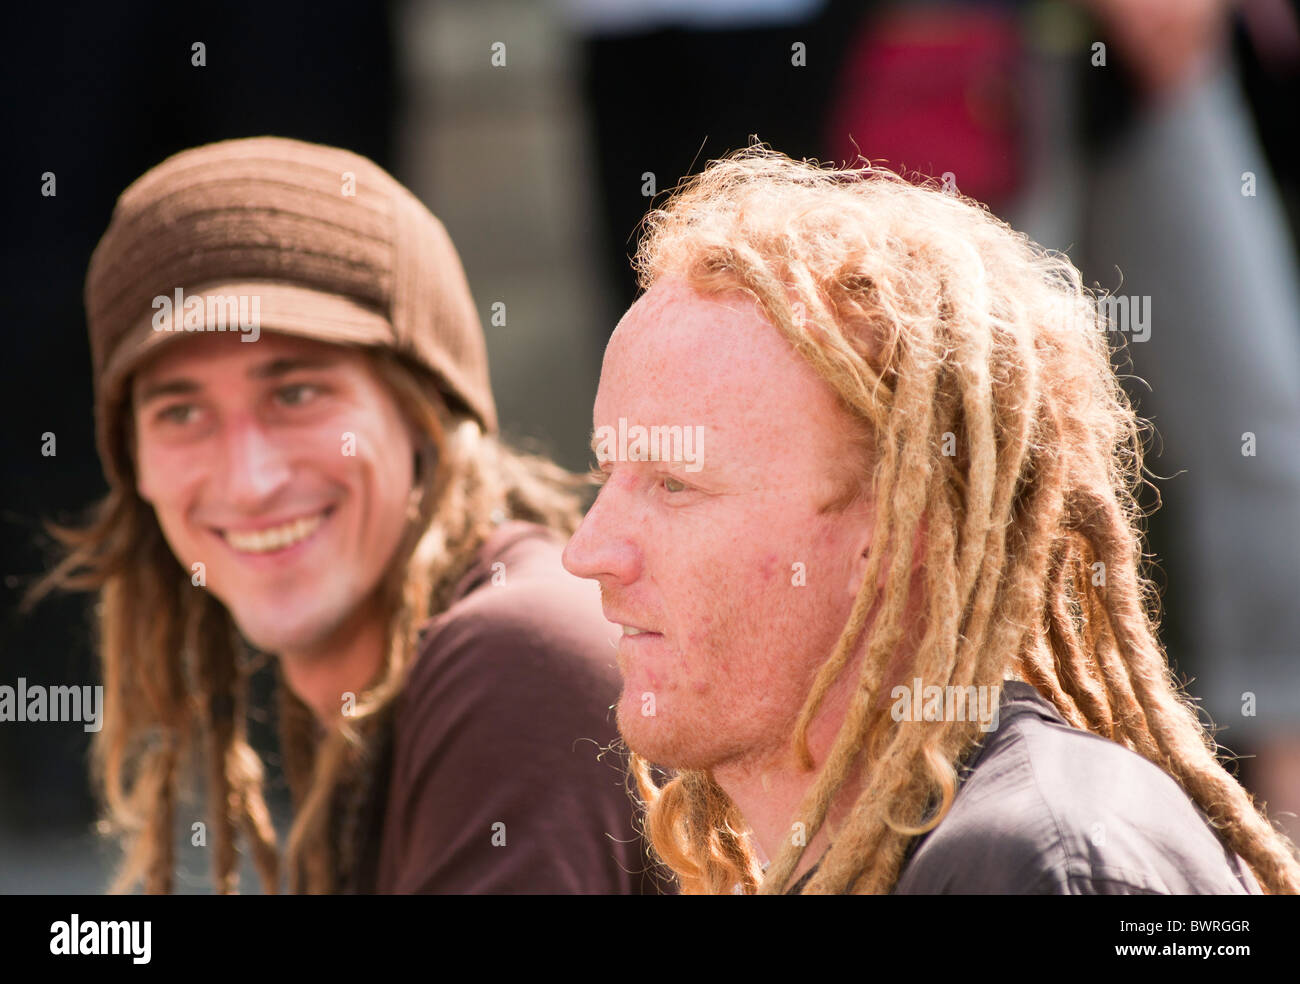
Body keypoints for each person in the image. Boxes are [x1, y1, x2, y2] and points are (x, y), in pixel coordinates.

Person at [561, 146, 1300, 894]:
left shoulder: (1043, 865)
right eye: (604, 474)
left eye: (674, 484)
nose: (588, 551)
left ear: (894, 535)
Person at [33, 136, 654, 894]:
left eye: (295, 394)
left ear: (426, 411)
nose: (251, 479)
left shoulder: (517, 658)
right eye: (181, 411)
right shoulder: (381, 704)